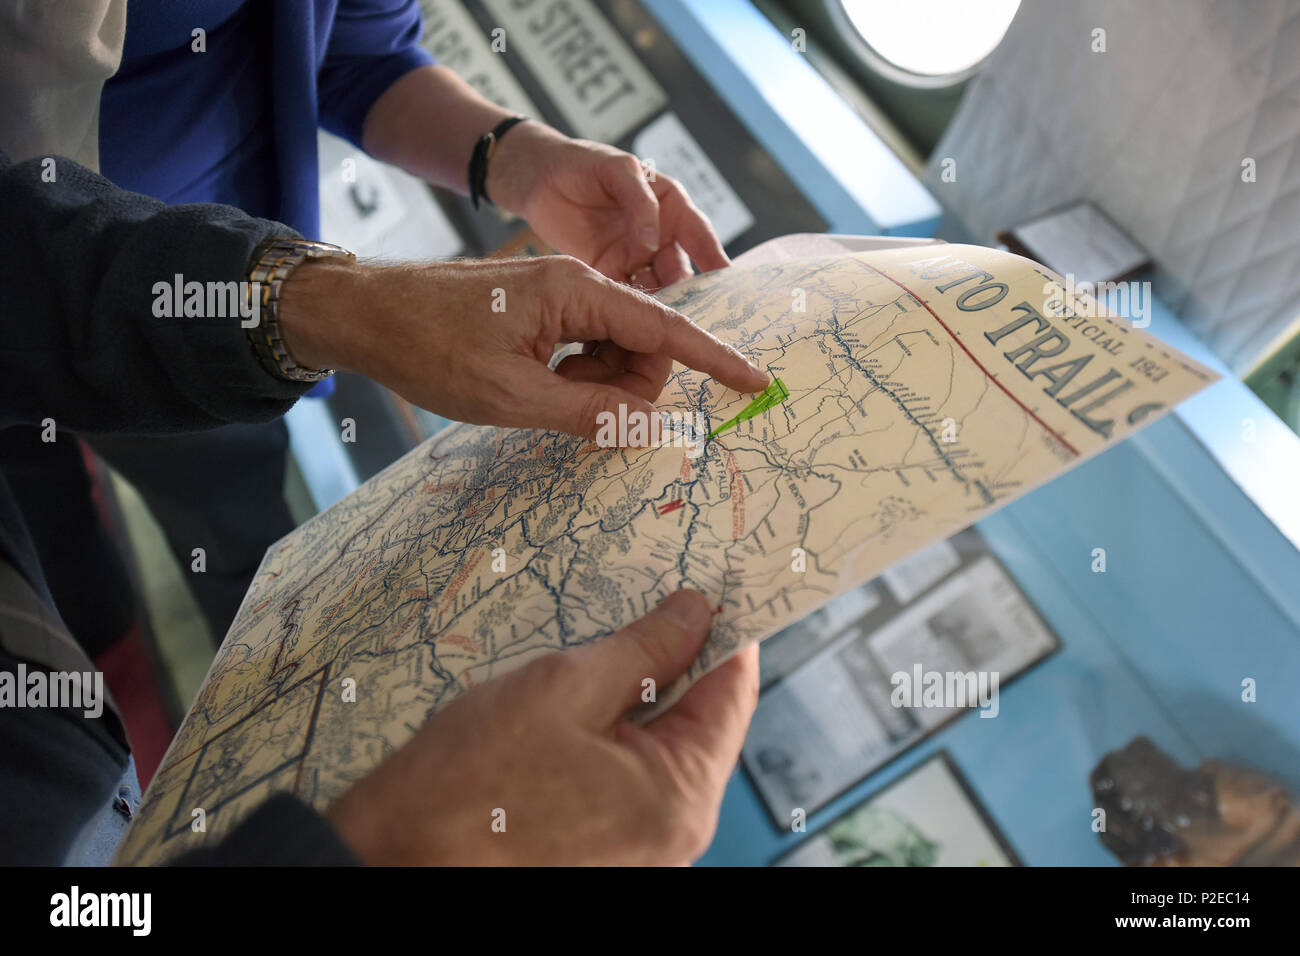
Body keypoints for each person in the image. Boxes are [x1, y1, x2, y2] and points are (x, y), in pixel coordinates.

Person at [0, 0, 764, 865]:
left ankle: (108, 623)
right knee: (77, 494)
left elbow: (360, 50)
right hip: (149, 316)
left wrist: (509, 159)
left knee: (207, 524)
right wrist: (381, 843)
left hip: (192, 321)